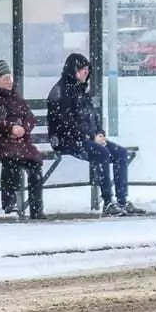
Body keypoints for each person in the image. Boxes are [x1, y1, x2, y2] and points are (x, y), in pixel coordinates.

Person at [47, 53, 143, 217]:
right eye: (82, 69)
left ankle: (122, 201)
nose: (86, 72)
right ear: (72, 70)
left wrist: (99, 133)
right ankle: (108, 202)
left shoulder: (80, 90)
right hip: (67, 140)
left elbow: (93, 117)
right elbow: (67, 124)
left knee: (120, 153)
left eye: (87, 69)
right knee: (102, 153)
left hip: (87, 138)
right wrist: (91, 138)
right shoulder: (61, 91)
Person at [0, 60, 45, 220]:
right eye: (4, 77)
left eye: (9, 77)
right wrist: (10, 128)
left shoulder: (16, 97)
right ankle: (9, 205)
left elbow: (30, 118)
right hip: (2, 143)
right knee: (10, 163)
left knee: (35, 166)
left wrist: (24, 129)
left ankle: (36, 209)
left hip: (21, 143)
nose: (9, 81)